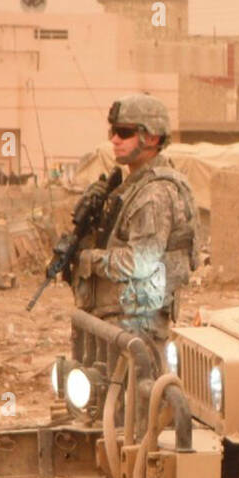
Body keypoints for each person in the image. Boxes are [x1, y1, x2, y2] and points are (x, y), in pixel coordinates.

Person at [70, 93, 199, 365]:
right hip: (117, 322)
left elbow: (141, 262)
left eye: (124, 132)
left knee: (133, 404)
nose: (114, 140)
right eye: (113, 132)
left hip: (137, 327)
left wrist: (89, 260)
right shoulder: (131, 187)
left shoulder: (153, 195)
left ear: (152, 138)